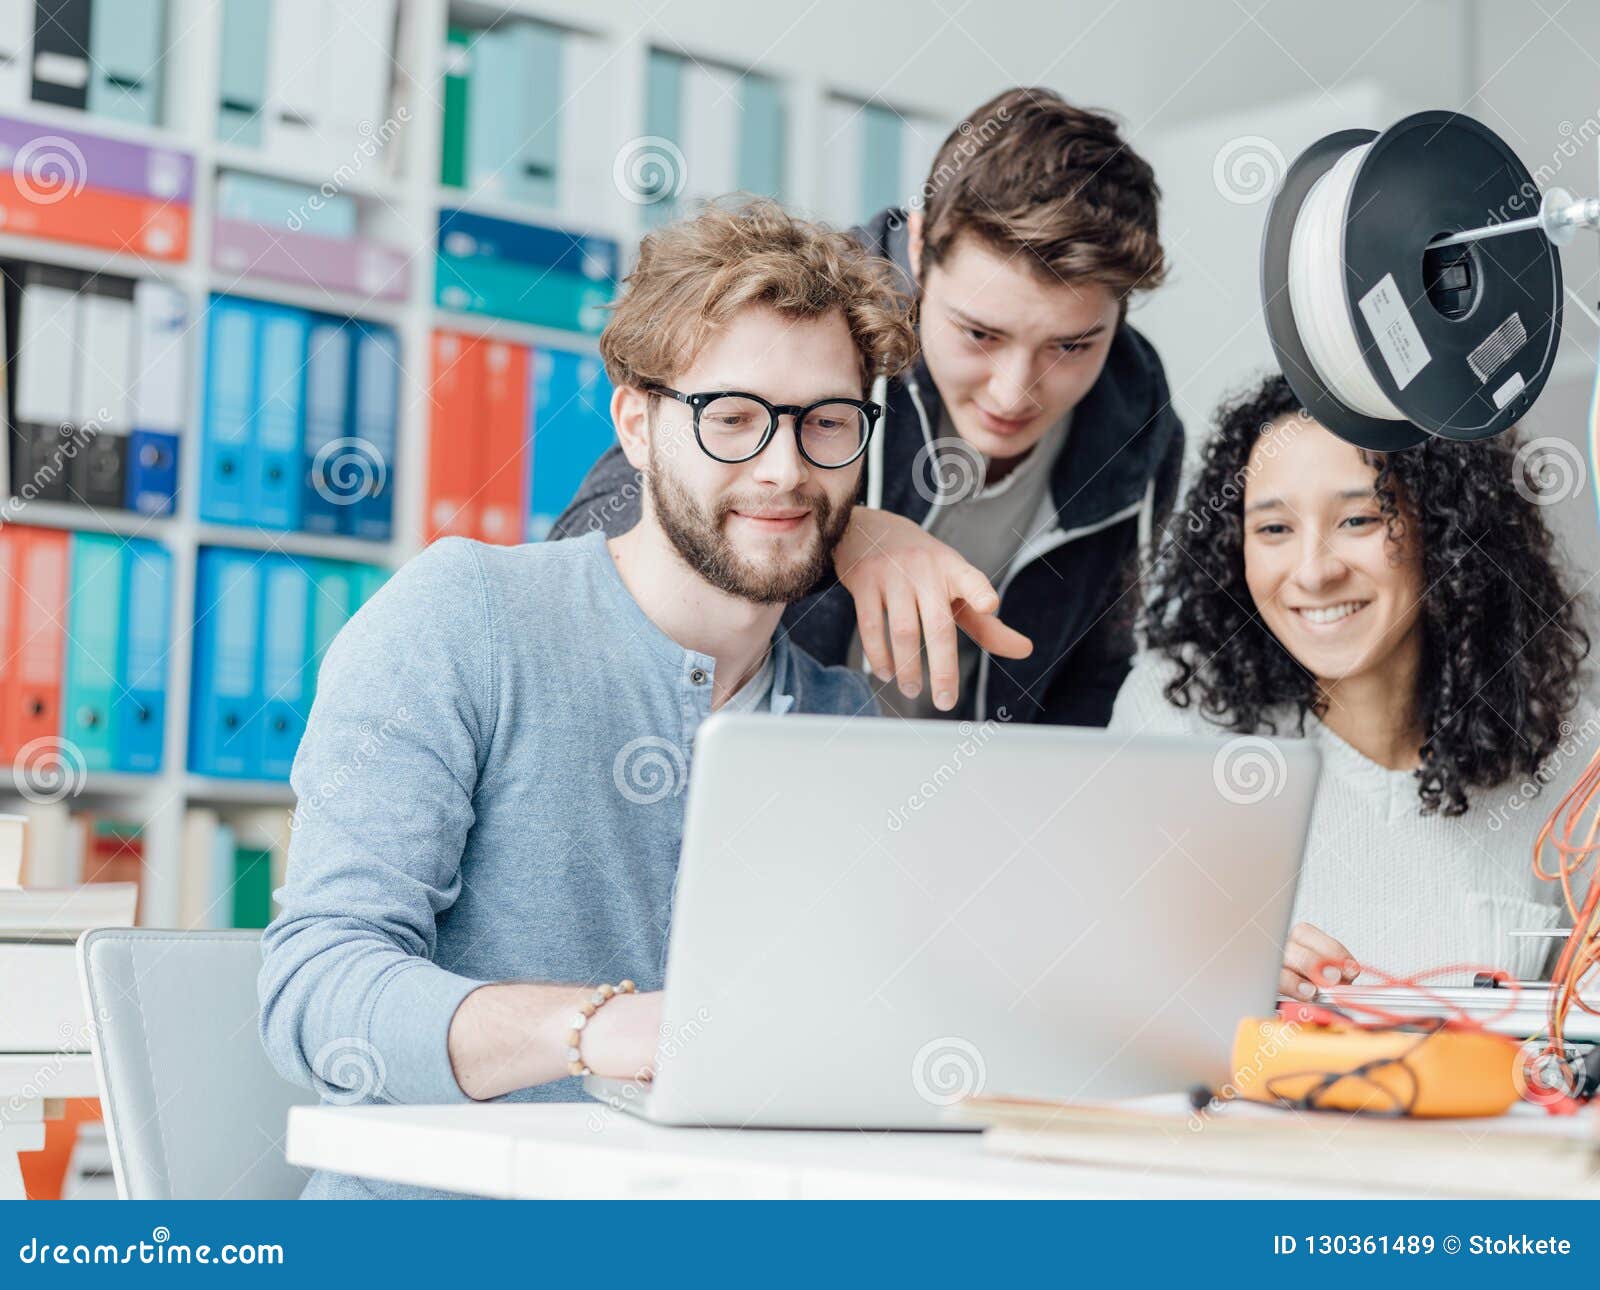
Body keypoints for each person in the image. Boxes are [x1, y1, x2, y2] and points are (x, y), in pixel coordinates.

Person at [258, 198, 915, 1198]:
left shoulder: (845, 725)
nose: (784, 468)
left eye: (826, 423)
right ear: (637, 424)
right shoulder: (462, 617)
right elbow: (315, 993)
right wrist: (593, 1029)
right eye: (733, 418)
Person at [553, 87, 1183, 726]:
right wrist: (838, 527)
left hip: (959, 796)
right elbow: (587, 547)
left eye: (1071, 345)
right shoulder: (822, 319)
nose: (1013, 391)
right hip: (761, 764)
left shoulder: (1137, 417)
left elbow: (1098, 665)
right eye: (980, 335)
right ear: (918, 250)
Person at [1112, 373, 1591, 993]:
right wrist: (1211, 972)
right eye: (1274, 530)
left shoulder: (1567, 751)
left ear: (1444, 532)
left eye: (1360, 519)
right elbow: (1096, 983)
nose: (1314, 573)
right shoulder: (1173, 718)